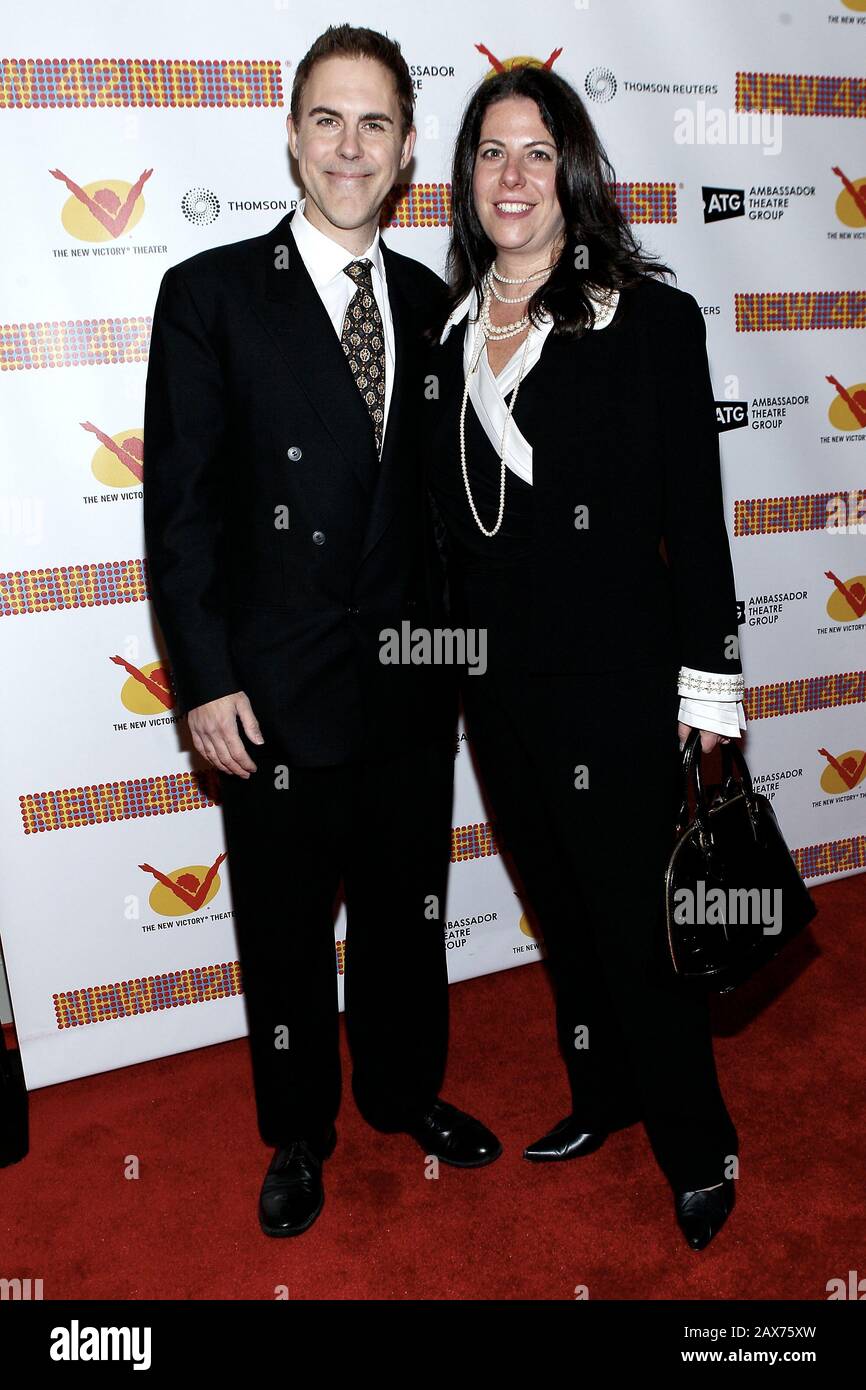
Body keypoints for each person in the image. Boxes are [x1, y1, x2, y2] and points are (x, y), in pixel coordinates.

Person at [143, 24, 501, 1240]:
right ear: (292, 136)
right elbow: (181, 511)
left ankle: (405, 1096)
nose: (350, 147)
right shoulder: (208, 297)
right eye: (327, 120)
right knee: (284, 935)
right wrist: (203, 680)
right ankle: (298, 1129)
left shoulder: (434, 301)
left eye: (376, 124)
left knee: (407, 917)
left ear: (405, 151)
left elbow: (453, 520)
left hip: (407, 685)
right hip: (275, 692)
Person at [422, 62, 746, 1251]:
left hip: (616, 688)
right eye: (491, 153)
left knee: (635, 928)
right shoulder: (441, 332)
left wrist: (707, 691)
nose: (513, 176)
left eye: (536, 151)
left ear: (573, 173)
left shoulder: (647, 319)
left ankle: (697, 1141)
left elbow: (696, 525)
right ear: (464, 179)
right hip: (497, 697)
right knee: (560, 913)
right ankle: (601, 1097)